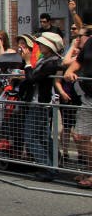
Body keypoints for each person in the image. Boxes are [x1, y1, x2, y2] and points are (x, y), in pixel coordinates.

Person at [19, 32, 64, 181]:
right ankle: (53, 166)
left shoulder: (51, 62)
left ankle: (48, 168)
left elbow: (32, 78)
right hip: (39, 102)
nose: (40, 45)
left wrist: (27, 63)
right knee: (44, 136)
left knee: (30, 137)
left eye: (43, 43)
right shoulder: (45, 60)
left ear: (51, 46)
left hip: (40, 103)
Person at [63, 26, 92, 187]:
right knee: (80, 136)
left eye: (81, 35)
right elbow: (76, 63)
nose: (78, 38)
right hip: (88, 97)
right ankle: (89, 170)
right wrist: (69, 72)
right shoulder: (89, 44)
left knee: (82, 136)